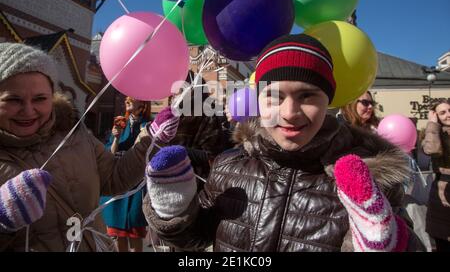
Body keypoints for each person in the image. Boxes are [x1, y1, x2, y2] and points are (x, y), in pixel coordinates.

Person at [142, 34, 423, 252]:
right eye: (274, 96)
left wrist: (385, 241)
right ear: (259, 99)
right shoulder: (230, 165)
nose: (289, 113)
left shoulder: (368, 176)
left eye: (307, 96)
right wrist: (173, 207)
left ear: (329, 100)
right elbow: (196, 238)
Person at [0, 42, 179, 251]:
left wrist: (151, 138)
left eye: (40, 98)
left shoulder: (74, 134)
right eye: (13, 100)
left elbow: (115, 178)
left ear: (52, 96)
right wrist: (3, 223)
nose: (28, 110)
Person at [100, 97, 151, 252]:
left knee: (135, 235)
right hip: (117, 183)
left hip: (136, 185)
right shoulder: (120, 123)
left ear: (142, 103)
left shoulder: (147, 126)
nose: (126, 100)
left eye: (131, 98)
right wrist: (115, 137)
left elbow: (146, 152)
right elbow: (109, 154)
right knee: (117, 236)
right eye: (126, 98)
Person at [422, 98, 450, 251]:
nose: (448, 115)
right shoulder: (431, 132)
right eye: (443, 112)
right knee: (443, 240)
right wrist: (432, 125)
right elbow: (432, 149)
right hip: (442, 190)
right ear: (436, 116)